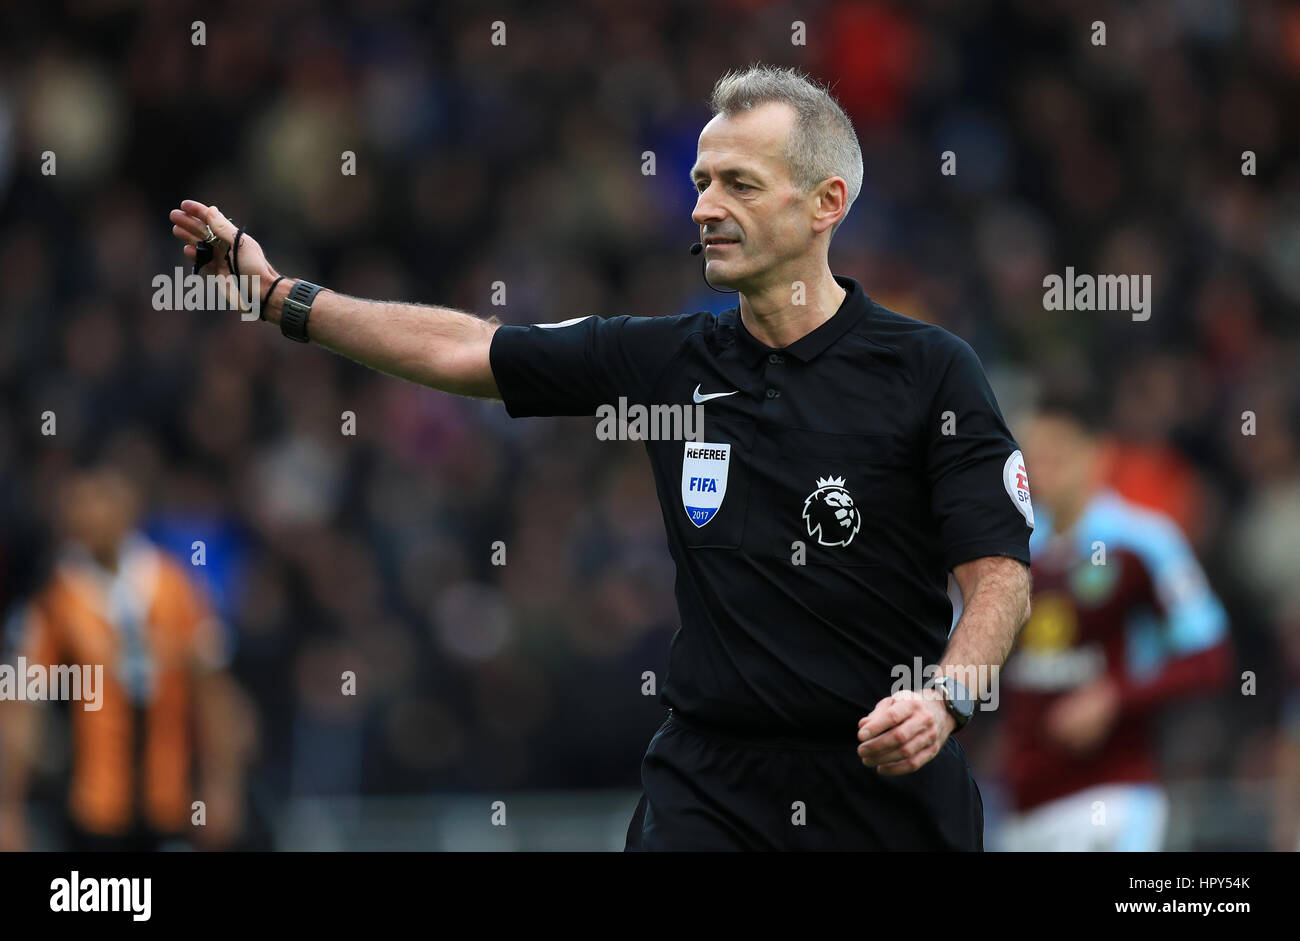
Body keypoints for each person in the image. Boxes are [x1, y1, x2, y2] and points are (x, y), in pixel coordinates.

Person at [167, 64, 1033, 850]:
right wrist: (282, 299)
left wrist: (945, 697)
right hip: (711, 788)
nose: (704, 208)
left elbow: (999, 577)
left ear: (825, 203)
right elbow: (468, 349)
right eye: (701, 182)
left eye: (739, 183)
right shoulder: (666, 361)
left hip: (885, 777)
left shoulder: (929, 371)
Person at [996, 387, 1231, 851]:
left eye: (1057, 454)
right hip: (1025, 801)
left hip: (1113, 795)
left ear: (1098, 454)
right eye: (1033, 457)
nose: (1042, 470)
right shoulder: (1014, 551)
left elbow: (1210, 657)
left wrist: (1114, 696)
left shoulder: (1144, 543)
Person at [0, 465, 250, 851]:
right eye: (77, 504)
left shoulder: (175, 587)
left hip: (170, 801)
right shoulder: (56, 600)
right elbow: (21, 705)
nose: (86, 515)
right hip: (91, 807)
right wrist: (8, 807)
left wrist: (221, 786)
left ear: (128, 507)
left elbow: (214, 693)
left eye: (98, 501)